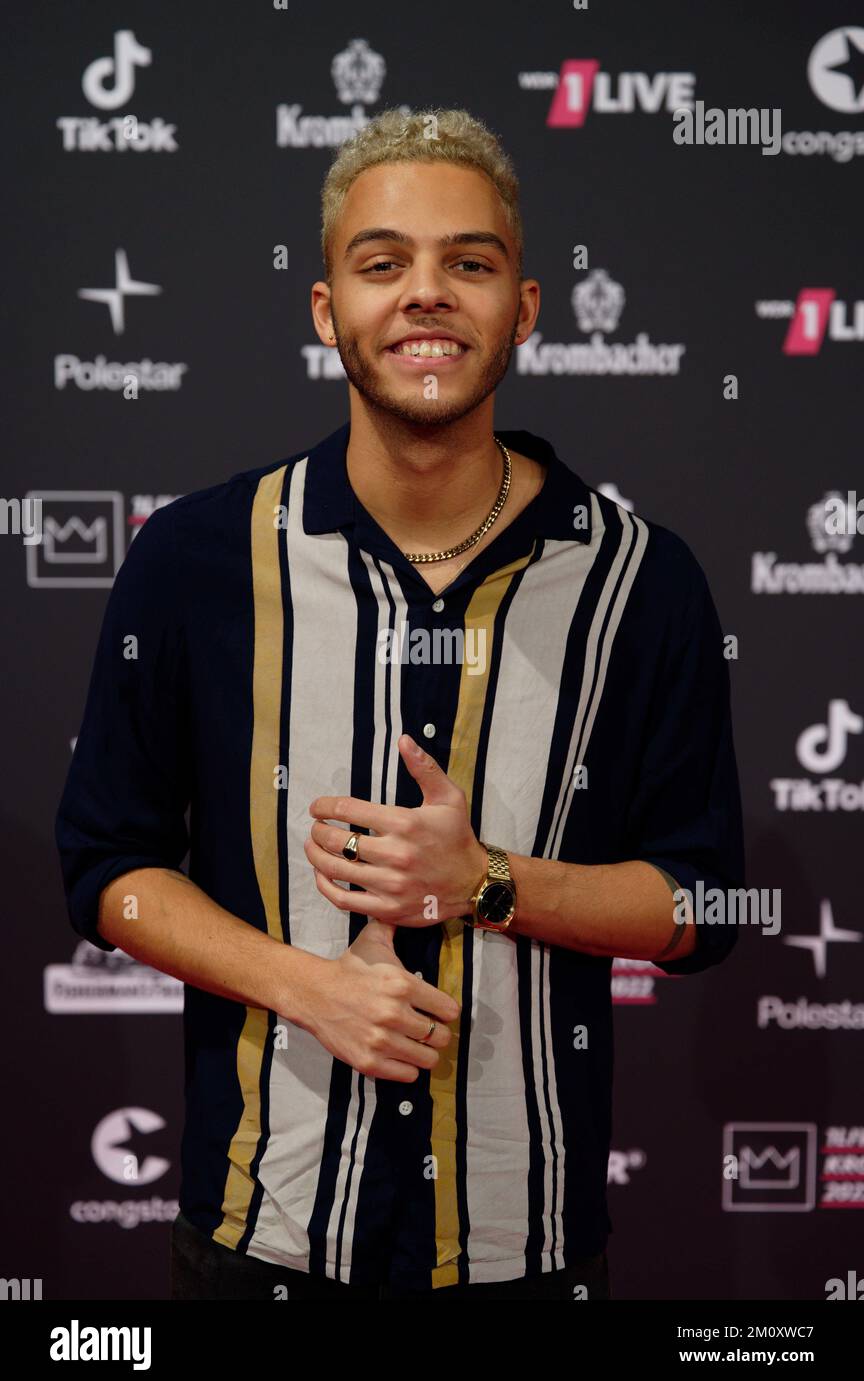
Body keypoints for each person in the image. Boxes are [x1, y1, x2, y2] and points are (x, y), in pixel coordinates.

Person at [55, 106, 745, 1301]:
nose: (426, 295)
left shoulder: (643, 579)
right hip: (257, 1244)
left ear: (523, 309)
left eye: (469, 263)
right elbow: (106, 868)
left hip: (523, 1255)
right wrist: (308, 985)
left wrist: (484, 885)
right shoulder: (192, 559)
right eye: (383, 264)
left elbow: (701, 905)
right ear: (328, 310)